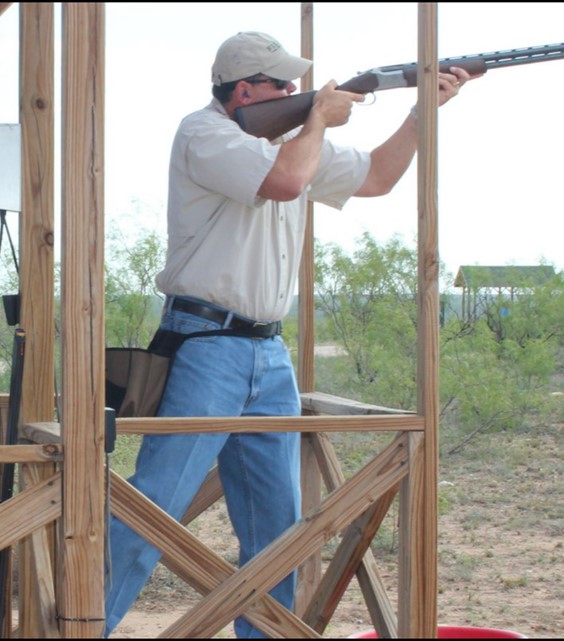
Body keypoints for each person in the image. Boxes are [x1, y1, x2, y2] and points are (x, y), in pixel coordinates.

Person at [104, 31, 472, 638]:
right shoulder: (206, 133)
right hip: (206, 344)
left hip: (266, 351)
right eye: (281, 85)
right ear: (244, 92)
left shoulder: (289, 143)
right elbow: (285, 182)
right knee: (155, 510)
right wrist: (318, 120)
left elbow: (377, 176)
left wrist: (420, 112)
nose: (295, 91)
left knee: (278, 530)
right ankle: (85, 626)